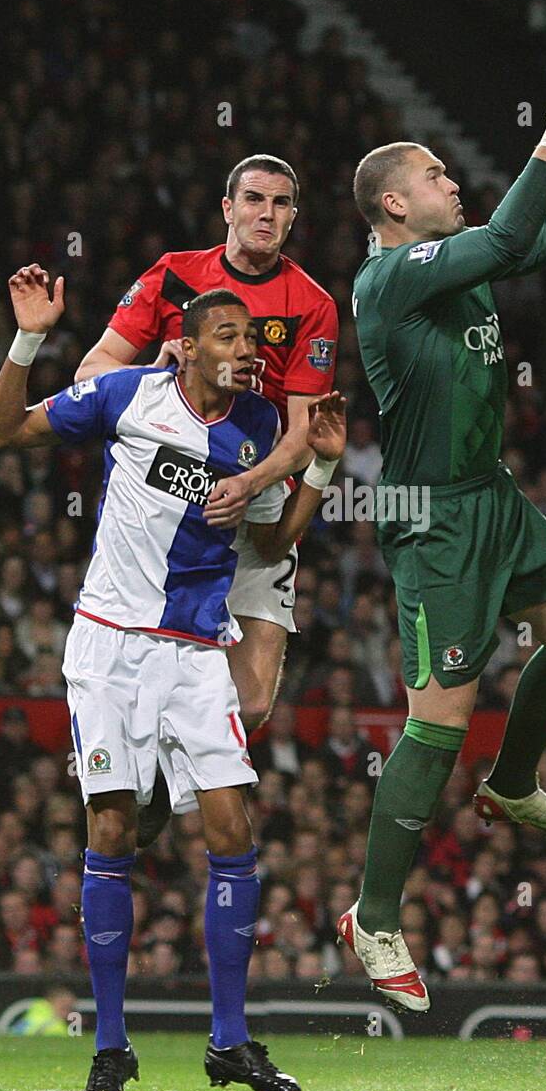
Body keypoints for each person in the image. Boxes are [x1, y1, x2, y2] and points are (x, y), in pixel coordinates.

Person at [0, 264, 346, 1091]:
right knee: (112, 831)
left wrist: (318, 472)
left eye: (253, 338)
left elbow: (272, 545)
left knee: (231, 829)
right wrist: (30, 337)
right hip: (109, 644)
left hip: (193, 652)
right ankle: (111, 1046)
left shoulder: (256, 429)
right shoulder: (126, 397)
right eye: (229, 336)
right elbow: (0, 433)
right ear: (182, 350)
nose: (248, 351)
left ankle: (228, 1041)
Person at [342, 31, 546, 1011]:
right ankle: (373, 916)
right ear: (395, 203)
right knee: (438, 722)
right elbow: (514, 237)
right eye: (434, 174)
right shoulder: (387, 280)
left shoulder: (451, 263)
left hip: (492, 496)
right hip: (433, 522)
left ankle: (514, 785)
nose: (450, 181)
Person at [74, 155, 339, 851]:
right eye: (253, 199)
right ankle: (126, 779)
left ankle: (161, 778)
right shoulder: (171, 275)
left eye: (281, 204)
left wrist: (251, 485)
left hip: (254, 493)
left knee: (251, 701)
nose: (266, 214)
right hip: (167, 494)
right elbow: (92, 373)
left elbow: (305, 430)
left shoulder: (312, 303)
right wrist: (156, 364)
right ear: (226, 207)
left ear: (292, 216)